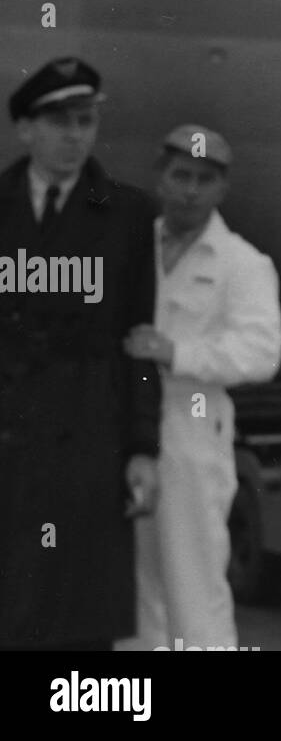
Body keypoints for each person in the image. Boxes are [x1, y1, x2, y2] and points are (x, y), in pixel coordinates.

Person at [0, 57, 160, 650]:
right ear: (25, 129)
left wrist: (143, 447)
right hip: (10, 429)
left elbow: (139, 339)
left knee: (81, 606)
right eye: (61, 121)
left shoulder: (128, 213)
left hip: (90, 427)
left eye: (86, 120)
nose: (75, 136)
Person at [119, 125, 281, 650]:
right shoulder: (132, 248)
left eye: (204, 179)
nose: (190, 189)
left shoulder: (243, 264)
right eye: (180, 175)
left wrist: (177, 353)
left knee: (193, 583)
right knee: (133, 586)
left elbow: (261, 353)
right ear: (160, 178)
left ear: (222, 189)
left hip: (192, 432)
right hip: (126, 432)